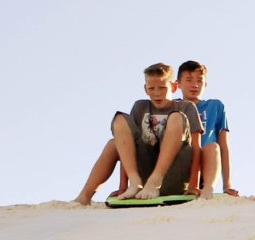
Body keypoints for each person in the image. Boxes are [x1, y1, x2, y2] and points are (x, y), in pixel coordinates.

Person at [72, 63, 204, 204]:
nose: (157, 93)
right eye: (151, 88)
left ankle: (155, 180)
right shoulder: (140, 107)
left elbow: (196, 147)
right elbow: (126, 145)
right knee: (118, 125)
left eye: (162, 88)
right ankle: (85, 196)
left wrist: (193, 184)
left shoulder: (186, 107)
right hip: (145, 177)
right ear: (145, 89)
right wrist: (123, 186)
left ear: (174, 87)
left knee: (177, 117)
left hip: (174, 174)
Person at [176, 60, 237, 196]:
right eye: (189, 80)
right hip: (180, 162)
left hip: (206, 165)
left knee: (213, 147)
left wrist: (227, 185)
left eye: (199, 81)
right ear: (178, 84)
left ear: (206, 84)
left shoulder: (215, 106)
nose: (195, 85)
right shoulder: (174, 106)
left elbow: (224, 146)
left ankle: (208, 189)